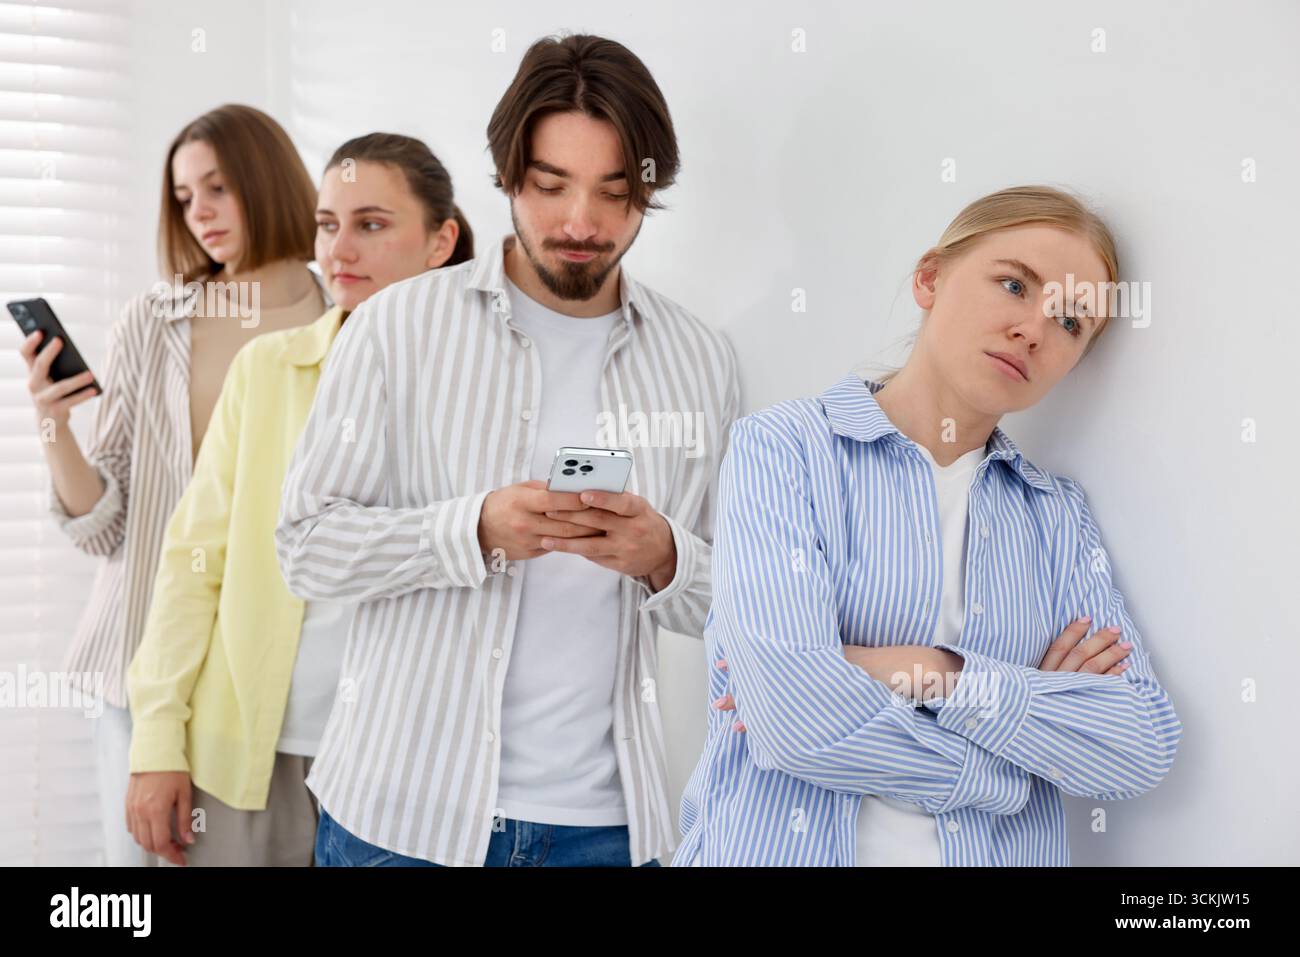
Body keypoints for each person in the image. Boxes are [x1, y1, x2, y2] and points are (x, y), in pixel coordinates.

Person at [277, 33, 740, 867]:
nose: (579, 222)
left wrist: (667, 556)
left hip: (606, 830)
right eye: (550, 185)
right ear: (506, 178)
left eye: (612, 193)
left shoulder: (700, 359)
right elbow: (304, 548)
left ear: (650, 191)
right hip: (401, 819)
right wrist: (473, 531)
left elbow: (745, 603)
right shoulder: (396, 328)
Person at [679, 185, 1182, 866]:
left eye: (1070, 322)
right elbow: (792, 720)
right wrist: (1011, 765)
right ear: (930, 278)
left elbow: (1140, 744)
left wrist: (936, 671)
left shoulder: (1054, 515)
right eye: (1014, 284)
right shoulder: (783, 448)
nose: (1033, 328)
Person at [123, 133, 473, 866]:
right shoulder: (268, 369)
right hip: (256, 760)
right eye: (327, 223)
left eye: (371, 224)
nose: (339, 249)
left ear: (440, 241)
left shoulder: (482, 388)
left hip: (408, 766)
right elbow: (194, 561)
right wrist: (156, 741)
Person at [17, 104, 325, 866]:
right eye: (186, 197)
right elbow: (105, 527)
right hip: (146, 661)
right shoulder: (155, 322)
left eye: (219, 188)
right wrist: (53, 426)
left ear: (270, 180)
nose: (202, 213)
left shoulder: (343, 315)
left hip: (285, 666)